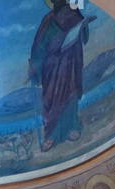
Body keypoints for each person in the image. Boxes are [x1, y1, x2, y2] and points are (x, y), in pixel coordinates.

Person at [29, 0, 89, 151]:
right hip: (53, 68)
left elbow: (84, 36)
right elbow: (39, 47)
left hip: (70, 64)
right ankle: (51, 135)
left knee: (71, 94)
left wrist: (82, 25)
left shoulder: (75, 14)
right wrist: (34, 67)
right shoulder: (48, 21)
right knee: (52, 98)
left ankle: (72, 127)